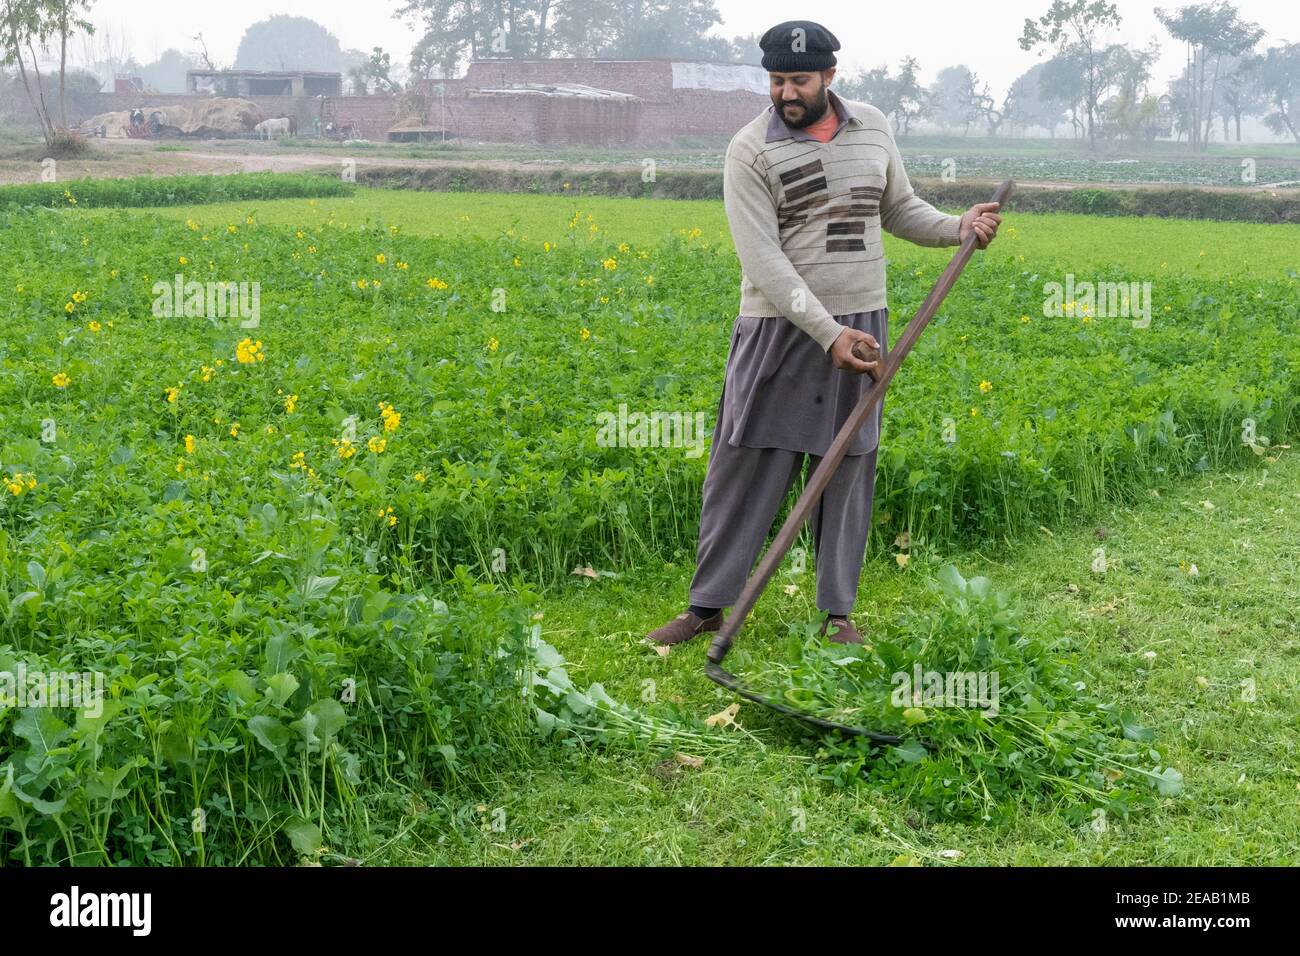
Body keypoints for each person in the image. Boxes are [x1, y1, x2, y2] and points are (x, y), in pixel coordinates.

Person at [646, 19, 1001, 647]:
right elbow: (763, 260)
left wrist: (957, 225)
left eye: (799, 80)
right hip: (780, 328)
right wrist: (823, 331)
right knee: (746, 460)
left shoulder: (872, 127)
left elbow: (896, 209)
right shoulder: (749, 149)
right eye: (778, 80)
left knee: (848, 464)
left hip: (862, 322)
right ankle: (707, 607)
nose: (786, 92)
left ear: (830, 77)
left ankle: (836, 613)